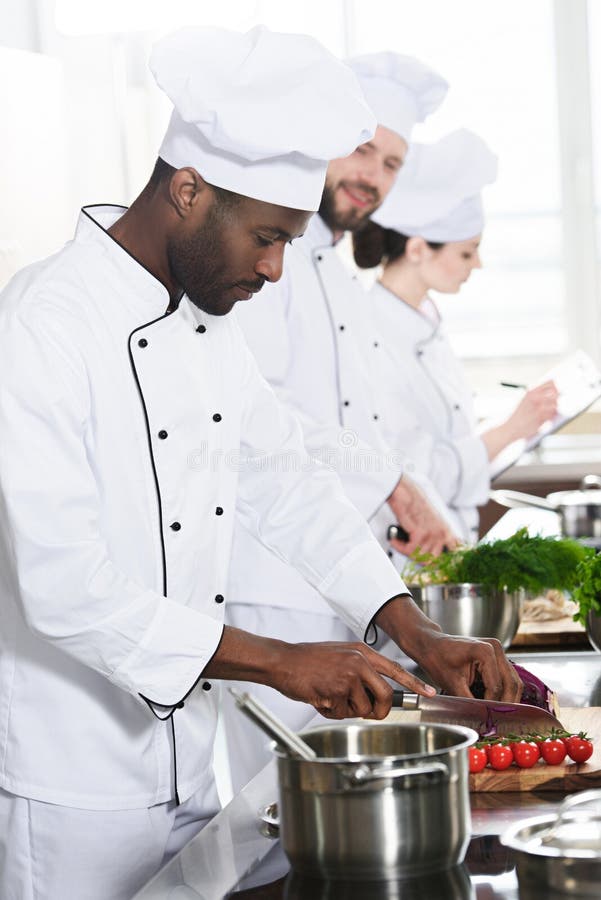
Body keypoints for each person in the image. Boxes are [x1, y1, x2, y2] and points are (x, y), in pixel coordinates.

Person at [0, 29, 521, 899]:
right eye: (269, 237)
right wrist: (281, 659)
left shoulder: (207, 330)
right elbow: (64, 585)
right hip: (73, 790)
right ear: (190, 190)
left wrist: (411, 627)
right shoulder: (41, 324)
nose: (278, 269)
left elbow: (286, 483)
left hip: (187, 765)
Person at [223, 56, 516, 791]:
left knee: (336, 797)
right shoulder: (266, 262)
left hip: (341, 580)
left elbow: (354, 430)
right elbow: (260, 422)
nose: (373, 176)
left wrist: (395, 500)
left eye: (391, 162)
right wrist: (392, 483)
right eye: (361, 150)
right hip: (272, 587)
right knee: (283, 805)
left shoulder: (335, 275)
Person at [352, 128, 559, 543]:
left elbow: (449, 439)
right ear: (416, 250)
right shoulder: (369, 334)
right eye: (467, 252)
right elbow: (416, 474)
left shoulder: (426, 321)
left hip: (453, 536)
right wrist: (510, 429)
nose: (477, 264)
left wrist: (518, 424)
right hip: (404, 551)